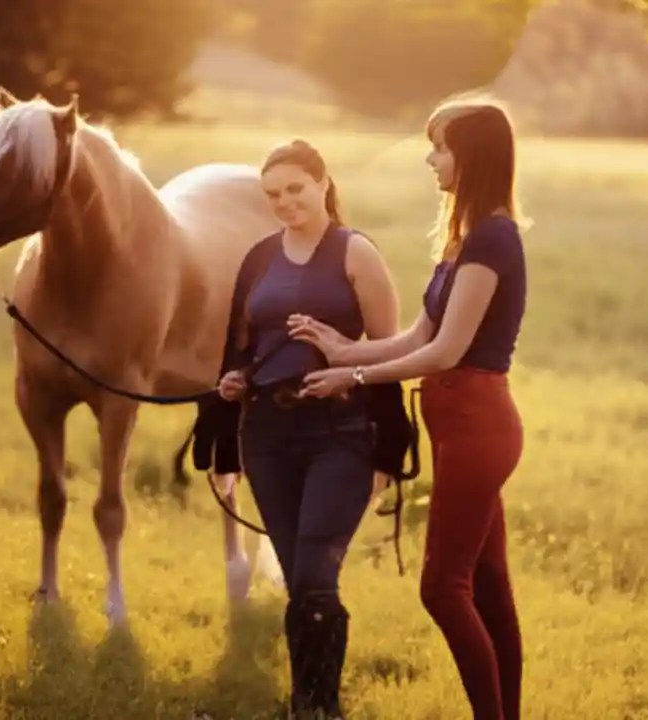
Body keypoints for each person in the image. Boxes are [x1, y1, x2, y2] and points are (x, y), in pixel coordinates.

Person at [289, 97, 527, 720]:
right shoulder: (464, 239)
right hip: (457, 425)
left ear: (471, 157)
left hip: (478, 424)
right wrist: (345, 349)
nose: (430, 159)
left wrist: (357, 375)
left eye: (441, 148)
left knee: (443, 589)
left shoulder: (492, 240)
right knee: (490, 586)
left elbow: (447, 352)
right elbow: (421, 335)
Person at [209, 139, 401, 719]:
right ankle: (305, 708)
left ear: (322, 183)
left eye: (295, 188)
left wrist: (384, 443)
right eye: (273, 194)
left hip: (339, 433)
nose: (285, 202)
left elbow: (389, 352)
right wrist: (236, 380)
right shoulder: (259, 257)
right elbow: (242, 344)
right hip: (266, 435)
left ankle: (322, 709)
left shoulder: (356, 251)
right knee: (300, 583)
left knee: (317, 577)